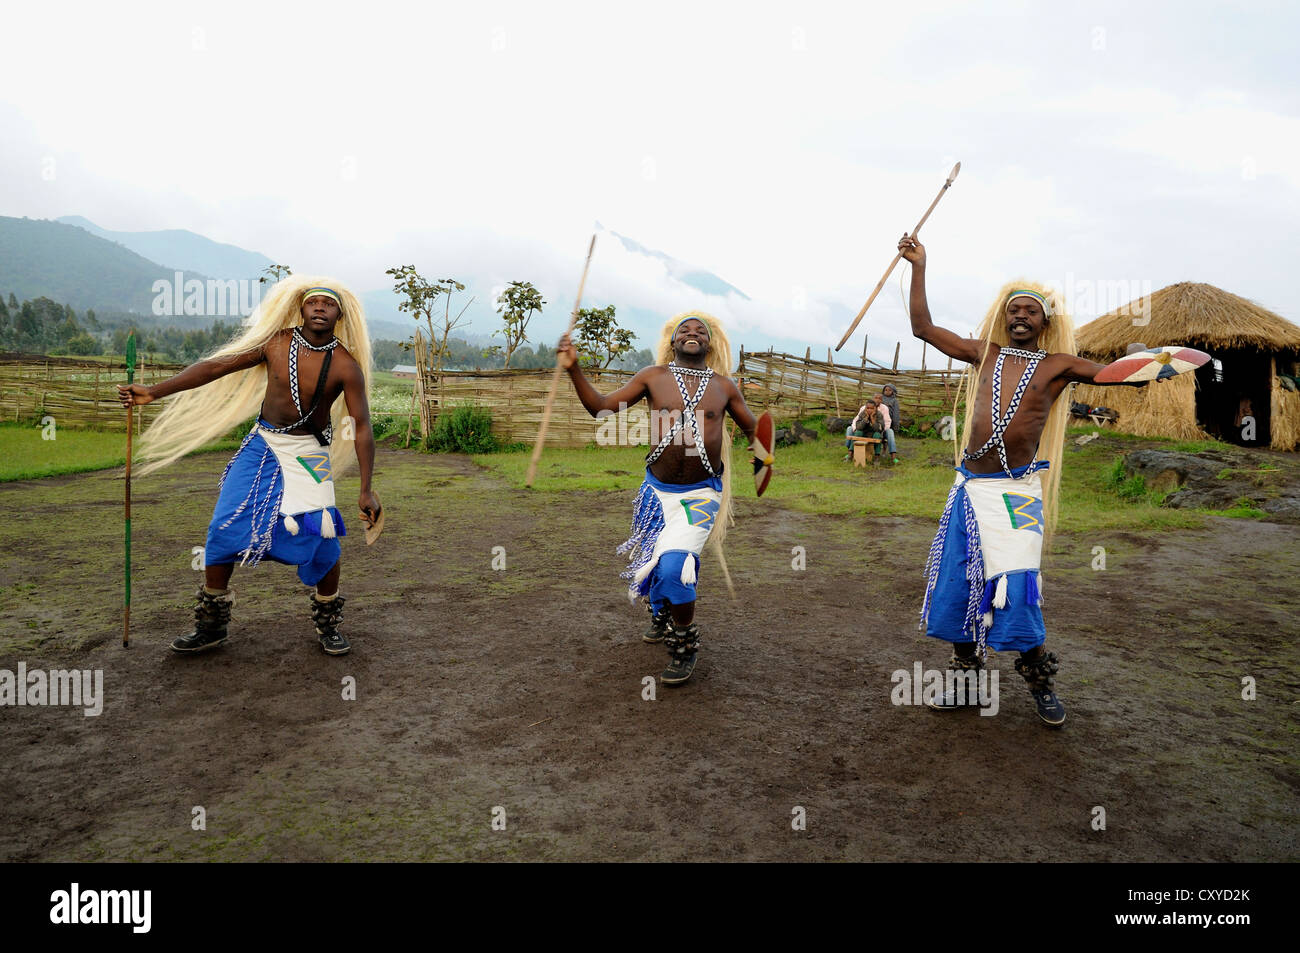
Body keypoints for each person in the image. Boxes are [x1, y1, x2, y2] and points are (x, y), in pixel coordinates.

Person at [900, 233, 1154, 727]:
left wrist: (1151, 365)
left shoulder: (1059, 366)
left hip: (1017, 493)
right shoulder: (985, 354)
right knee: (961, 586)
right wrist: (919, 265)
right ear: (1004, 316)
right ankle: (969, 682)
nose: (1020, 316)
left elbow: (1114, 374)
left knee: (1017, 588)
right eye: (1014, 309)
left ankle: (1040, 681)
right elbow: (922, 328)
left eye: (1030, 312)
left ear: (1045, 322)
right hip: (970, 491)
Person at [117, 277, 381, 657]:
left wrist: (366, 488)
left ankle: (328, 621)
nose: (320, 308)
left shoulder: (345, 366)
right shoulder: (275, 343)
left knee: (322, 535)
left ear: (341, 314)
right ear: (301, 308)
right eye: (313, 302)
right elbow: (216, 367)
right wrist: (156, 391)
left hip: (309, 453)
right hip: (262, 445)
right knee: (223, 525)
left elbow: (361, 426)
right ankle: (211, 623)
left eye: (329, 304)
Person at [559, 312, 758, 686]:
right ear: (673, 341)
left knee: (674, 569)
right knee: (653, 561)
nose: (693, 333)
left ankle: (684, 645)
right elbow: (602, 408)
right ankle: (662, 610)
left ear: (710, 344)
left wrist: (762, 454)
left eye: (701, 330)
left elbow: (753, 427)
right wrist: (574, 369)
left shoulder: (724, 386)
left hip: (699, 496)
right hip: (655, 492)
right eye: (685, 329)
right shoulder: (653, 377)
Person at [878, 386, 901, 464]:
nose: (887, 391)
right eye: (885, 390)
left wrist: (895, 424)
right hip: (879, 421)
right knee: (880, 436)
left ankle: (886, 451)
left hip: (889, 421)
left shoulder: (894, 401)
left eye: (889, 390)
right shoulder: (880, 399)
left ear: (893, 391)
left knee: (887, 436)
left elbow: (896, 413)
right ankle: (878, 452)